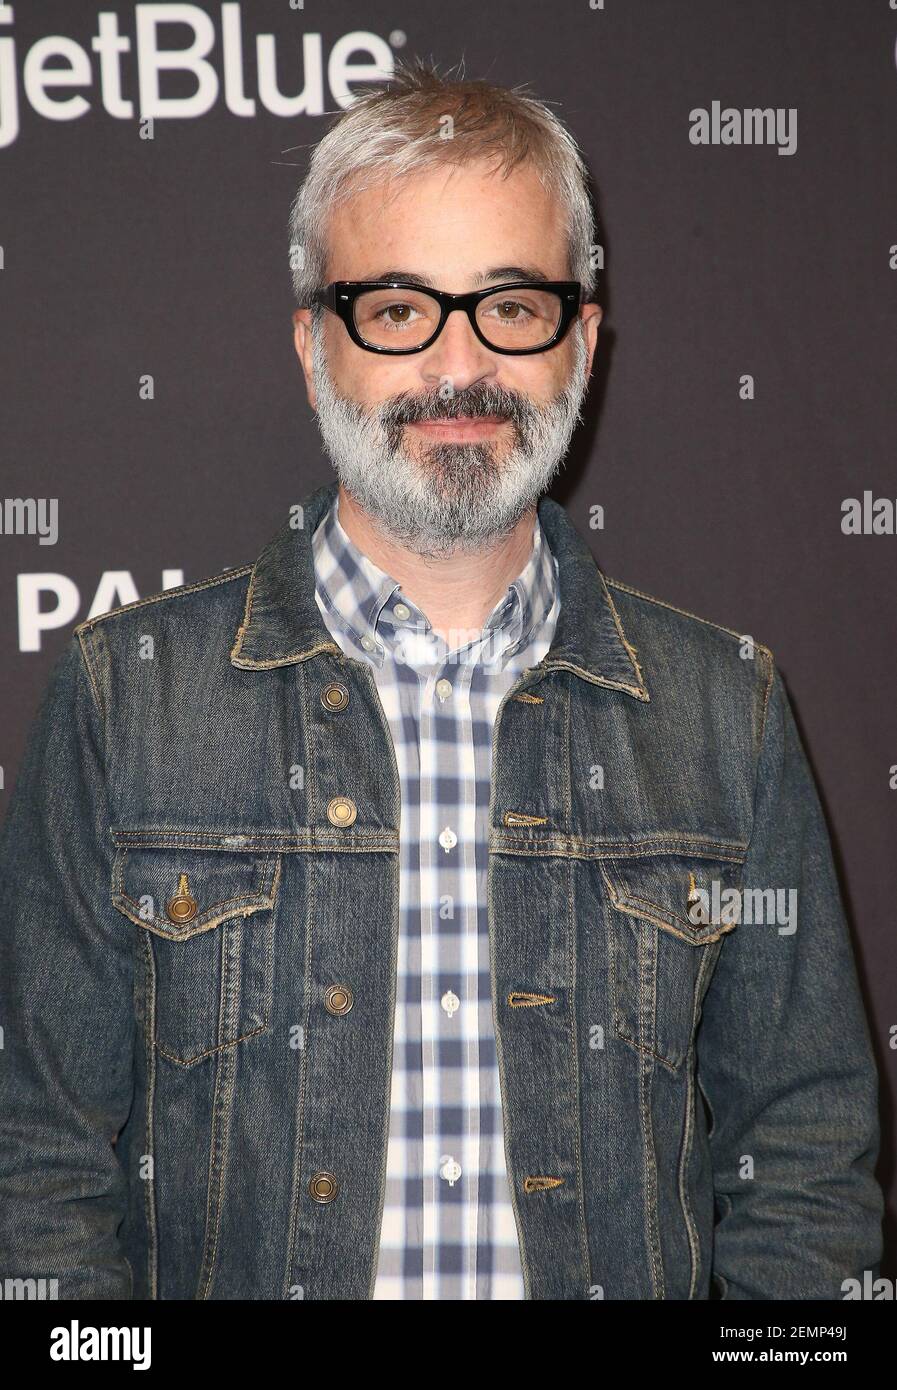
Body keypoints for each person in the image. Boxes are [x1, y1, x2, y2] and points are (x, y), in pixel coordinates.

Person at [0, 60, 882, 1300]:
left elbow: (805, 1156)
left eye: (510, 305)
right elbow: (35, 1165)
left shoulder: (723, 710)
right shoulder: (124, 698)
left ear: (579, 338)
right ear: (315, 345)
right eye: (399, 308)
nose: (458, 364)